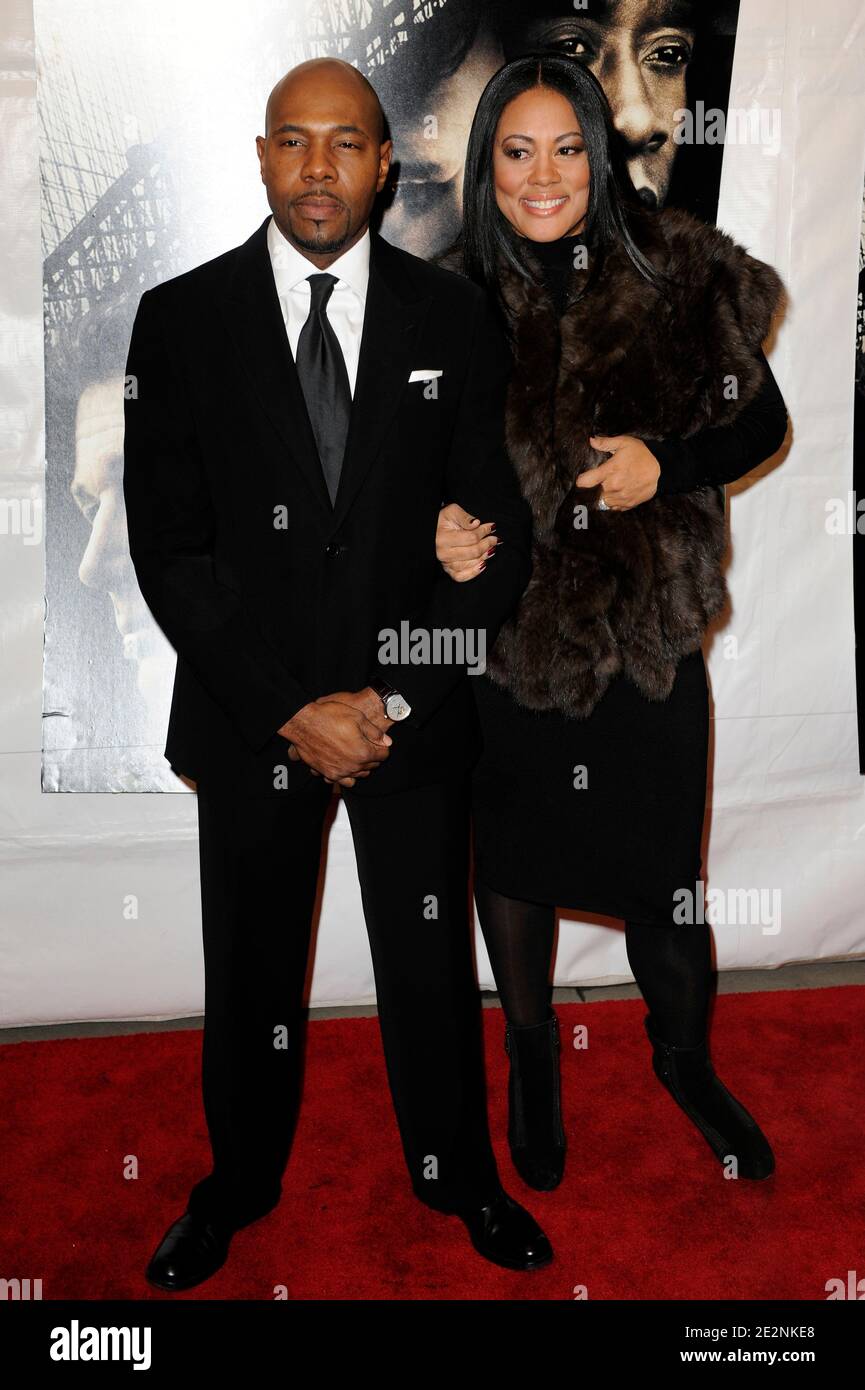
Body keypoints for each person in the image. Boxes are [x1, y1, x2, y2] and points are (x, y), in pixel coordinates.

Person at [122, 56, 551, 1291]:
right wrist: (286, 708)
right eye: (294, 143)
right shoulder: (181, 320)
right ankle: (234, 1186)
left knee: (426, 968)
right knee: (248, 966)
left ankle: (458, 1177)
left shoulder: (453, 318)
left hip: (409, 715)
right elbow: (172, 549)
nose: (319, 168)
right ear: (260, 156)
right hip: (252, 715)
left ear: (384, 164)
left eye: (346, 143)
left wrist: (394, 700)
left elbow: (498, 539)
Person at [434, 55, 789, 1191]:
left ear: (600, 150)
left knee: (663, 881)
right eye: (516, 151)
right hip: (507, 641)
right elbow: (400, 473)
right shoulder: (446, 297)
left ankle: (684, 1062)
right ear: (487, 164)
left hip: (643, 640)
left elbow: (758, 425)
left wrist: (666, 462)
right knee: (517, 864)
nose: (543, 175)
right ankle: (530, 1054)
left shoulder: (682, 272)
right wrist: (436, 531)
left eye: (566, 148)